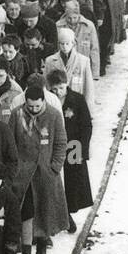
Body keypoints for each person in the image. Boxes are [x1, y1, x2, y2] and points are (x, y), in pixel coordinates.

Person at [10, 82, 69, 254]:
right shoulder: (17, 114)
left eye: (37, 106)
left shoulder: (53, 115)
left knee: (44, 210)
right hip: (24, 175)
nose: (34, 109)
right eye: (30, 106)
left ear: (44, 101)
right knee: (26, 213)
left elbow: (61, 143)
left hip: (45, 173)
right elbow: (10, 143)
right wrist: (15, 168)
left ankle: (42, 248)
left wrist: (54, 167)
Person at [46, 70, 93, 232]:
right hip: (55, 146)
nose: (58, 92)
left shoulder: (77, 100)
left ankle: (69, 211)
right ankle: (64, 215)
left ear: (67, 84)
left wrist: (83, 150)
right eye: (54, 89)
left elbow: (86, 125)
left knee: (73, 180)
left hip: (74, 145)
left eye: (60, 88)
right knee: (57, 180)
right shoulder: (49, 101)